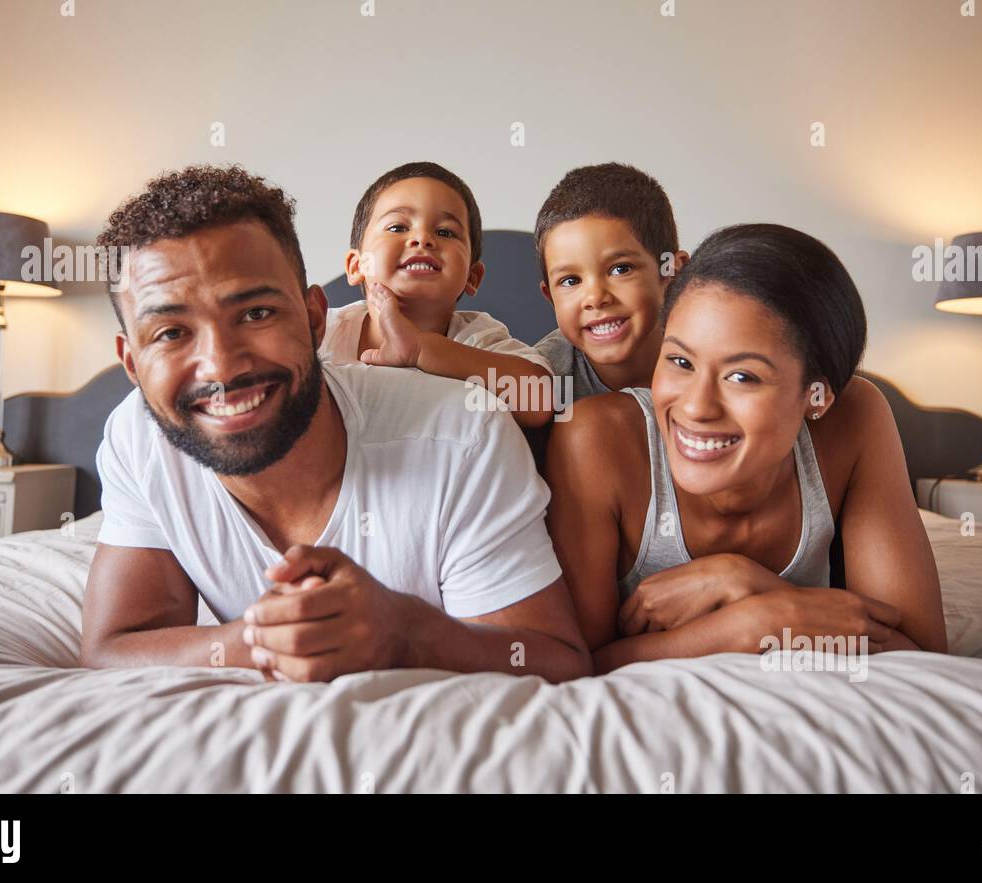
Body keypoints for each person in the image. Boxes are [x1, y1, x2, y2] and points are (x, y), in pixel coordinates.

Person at [80, 164, 590, 683]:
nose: (221, 367)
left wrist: (404, 633)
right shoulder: (137, 437)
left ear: (313, 318)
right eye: (170, 332)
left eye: (256, 314)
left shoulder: (466, 418)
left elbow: (539, 398)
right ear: (132, 364)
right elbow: (114, 647)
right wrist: (262, 638)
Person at [544, 223, 947, 674]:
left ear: (817, 396)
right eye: (680, 361)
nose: (696, 407)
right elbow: (576, 665)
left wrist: (750, 588)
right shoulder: (592, 440)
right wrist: (750, 625)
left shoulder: (856, 418)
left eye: (742, 377)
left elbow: (920, 654)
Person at [324, 161, 555, 427]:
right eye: (398, 227)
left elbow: (539, 400)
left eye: (445, 232)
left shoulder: (476, 339)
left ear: (472, 276)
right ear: (356, 266)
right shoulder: (323, 334)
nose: (422, 238)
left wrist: (421, 349)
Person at [532, 162, 688, 405]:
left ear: (674, 272)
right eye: (571, 280)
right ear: (551, 297)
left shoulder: (713, 350)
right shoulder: (541, 385)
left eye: (620, 269)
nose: (595, 297)